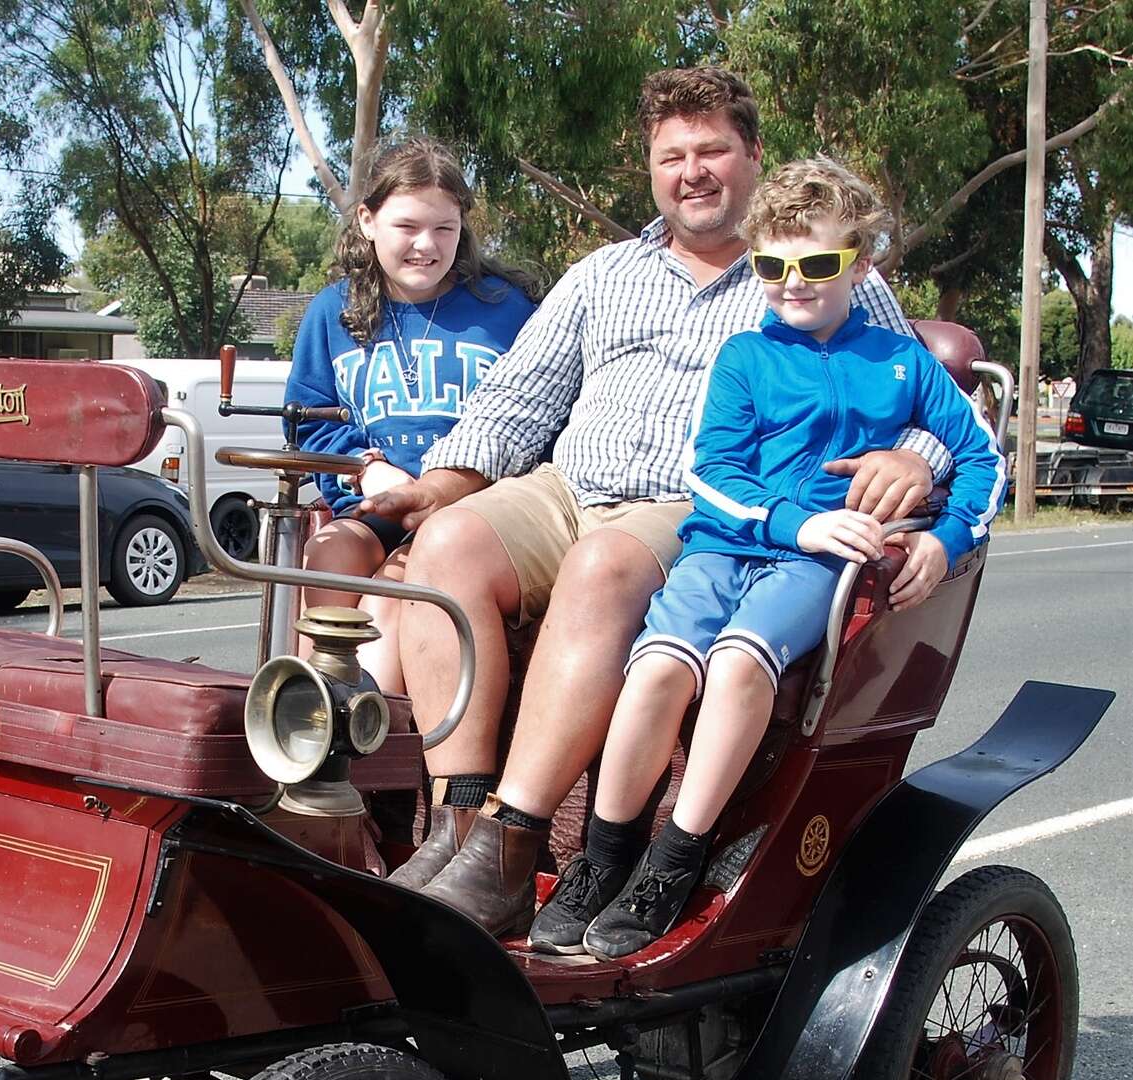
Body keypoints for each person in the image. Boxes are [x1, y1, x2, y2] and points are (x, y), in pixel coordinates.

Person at [361, 67, 953, 936]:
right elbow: (514, 400)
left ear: (750, 155)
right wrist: (439, 484)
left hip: (698, 502)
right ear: (650, 167)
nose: (693, 171)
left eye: (712, 149)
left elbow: (923, 399)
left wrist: (913, 456)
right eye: (671, 155)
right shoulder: (604, 273)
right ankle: (453, 825)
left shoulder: (810, 270)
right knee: (449, 543)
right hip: (570, 485)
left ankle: (511, 839)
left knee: (601, 565)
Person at [531, 158, 1005, 958]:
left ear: (856, 263)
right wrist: (797, 523)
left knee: (741, 663)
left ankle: (672, 862)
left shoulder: (900, 362)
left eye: (815, 265)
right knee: (655, 668)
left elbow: (982, 457)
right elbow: (709, 473)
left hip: (813, 571)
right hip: (727, 548)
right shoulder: (744, 358)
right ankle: (602, 860)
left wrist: (943, 537)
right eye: (772, 266)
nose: (792, 283)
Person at [285, 137, 538, 693]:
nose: (426, 245)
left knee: (393, 600)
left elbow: (540, 412)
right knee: (326, 554)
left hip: (467, 511)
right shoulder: (334, 311)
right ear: (368, 220)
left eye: (444, 228)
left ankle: (373, 752)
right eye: (407, 226)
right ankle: (304, 716)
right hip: (372, 502)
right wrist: (364, 466)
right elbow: (309, 419)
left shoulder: (507, 310)